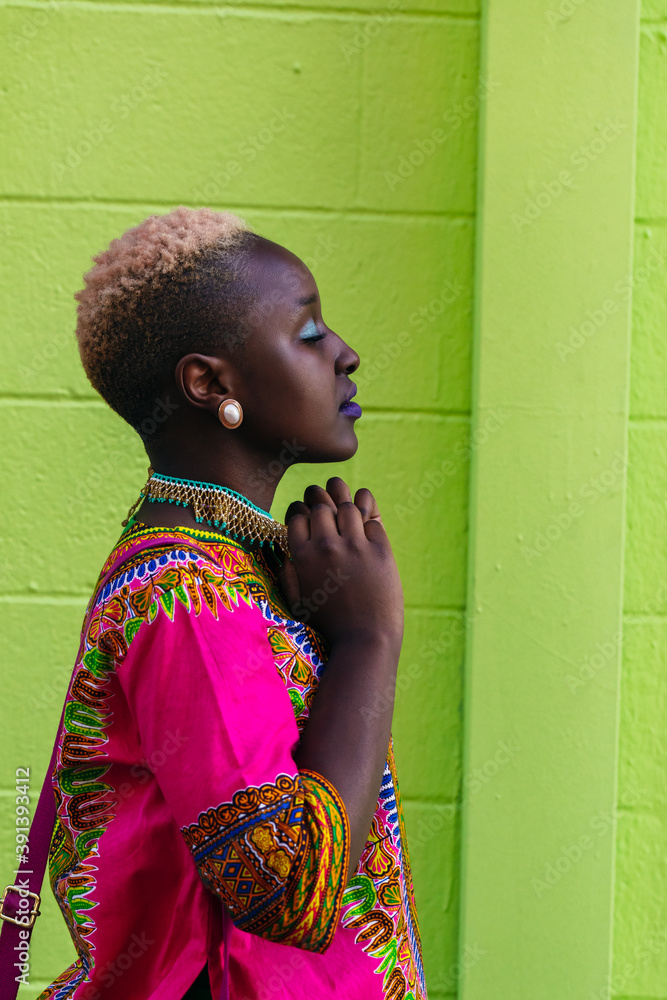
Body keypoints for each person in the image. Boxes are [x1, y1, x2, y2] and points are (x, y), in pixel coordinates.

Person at [38, 206, 426, 1000]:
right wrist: (368, 639)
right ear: (210, 383)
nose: (346, 354)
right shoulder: (186, 596)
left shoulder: (227, 566)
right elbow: (290, 892)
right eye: (309, 332)